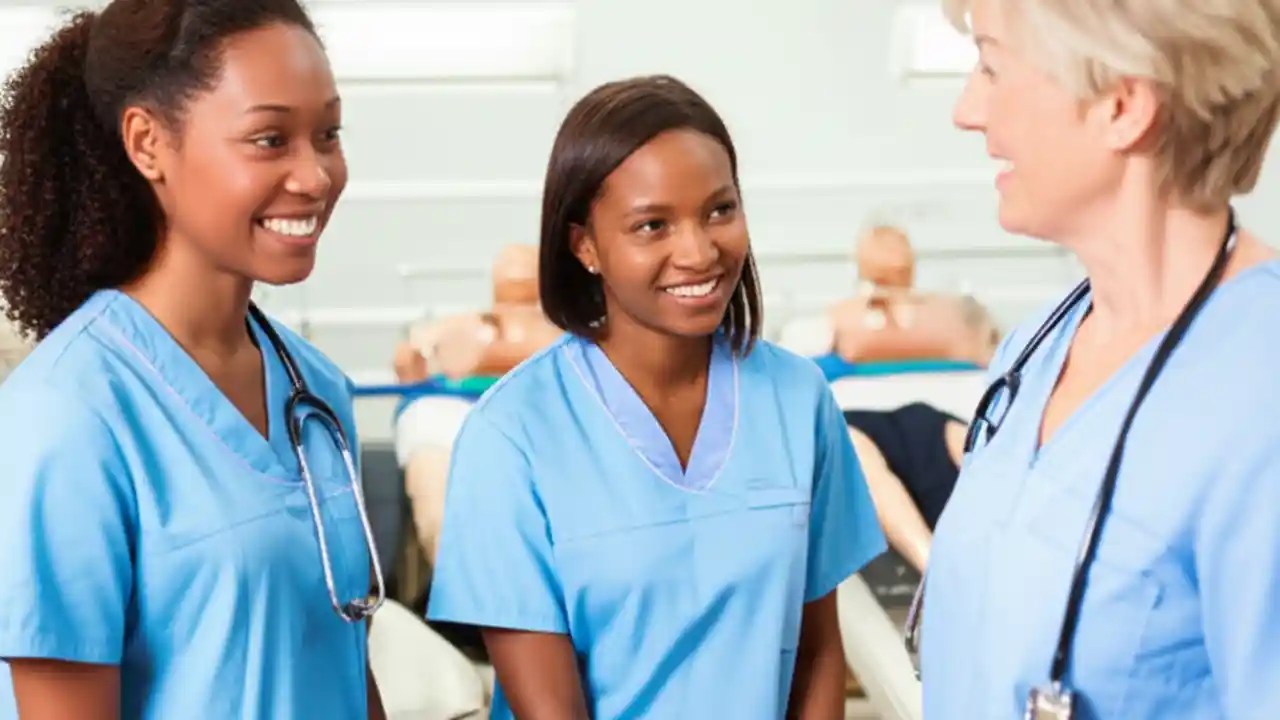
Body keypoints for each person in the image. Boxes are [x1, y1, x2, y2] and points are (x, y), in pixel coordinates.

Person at [426, 75, 886, 719]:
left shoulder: (797, 399)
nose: (698, 252)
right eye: (652, 226)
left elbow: (817, 653)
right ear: (585, 245)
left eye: (720, 210)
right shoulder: (513, 434)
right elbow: (549, 710)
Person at [0, 2, 386, 718]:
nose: (317, 175)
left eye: (327, 134)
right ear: (148, 143)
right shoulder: (68, 412)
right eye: (270, 139)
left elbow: (344, 664)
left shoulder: (318, 391)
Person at [917, 0, 1280, 718]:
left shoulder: (1260, 389)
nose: (967, 111)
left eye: (991, 64)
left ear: (1122, 105)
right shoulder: (1034, 349)